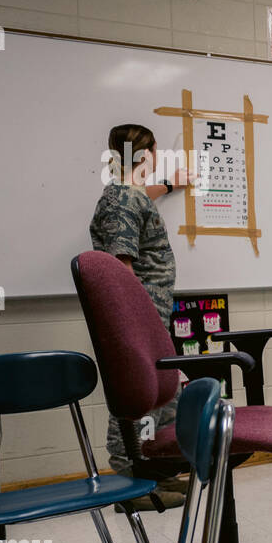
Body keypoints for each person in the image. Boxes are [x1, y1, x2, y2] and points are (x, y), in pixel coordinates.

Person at [89, 123, 188, 485]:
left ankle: (154, 470)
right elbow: (122, 268)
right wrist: (136, 327)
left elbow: (138, 203)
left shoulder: (129, 195)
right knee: (137, 392)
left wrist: (170, 185)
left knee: (161, 390)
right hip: (140, 316)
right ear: (147, 155)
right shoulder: (121, 198)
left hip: (149, 315)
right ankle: (132, 475)